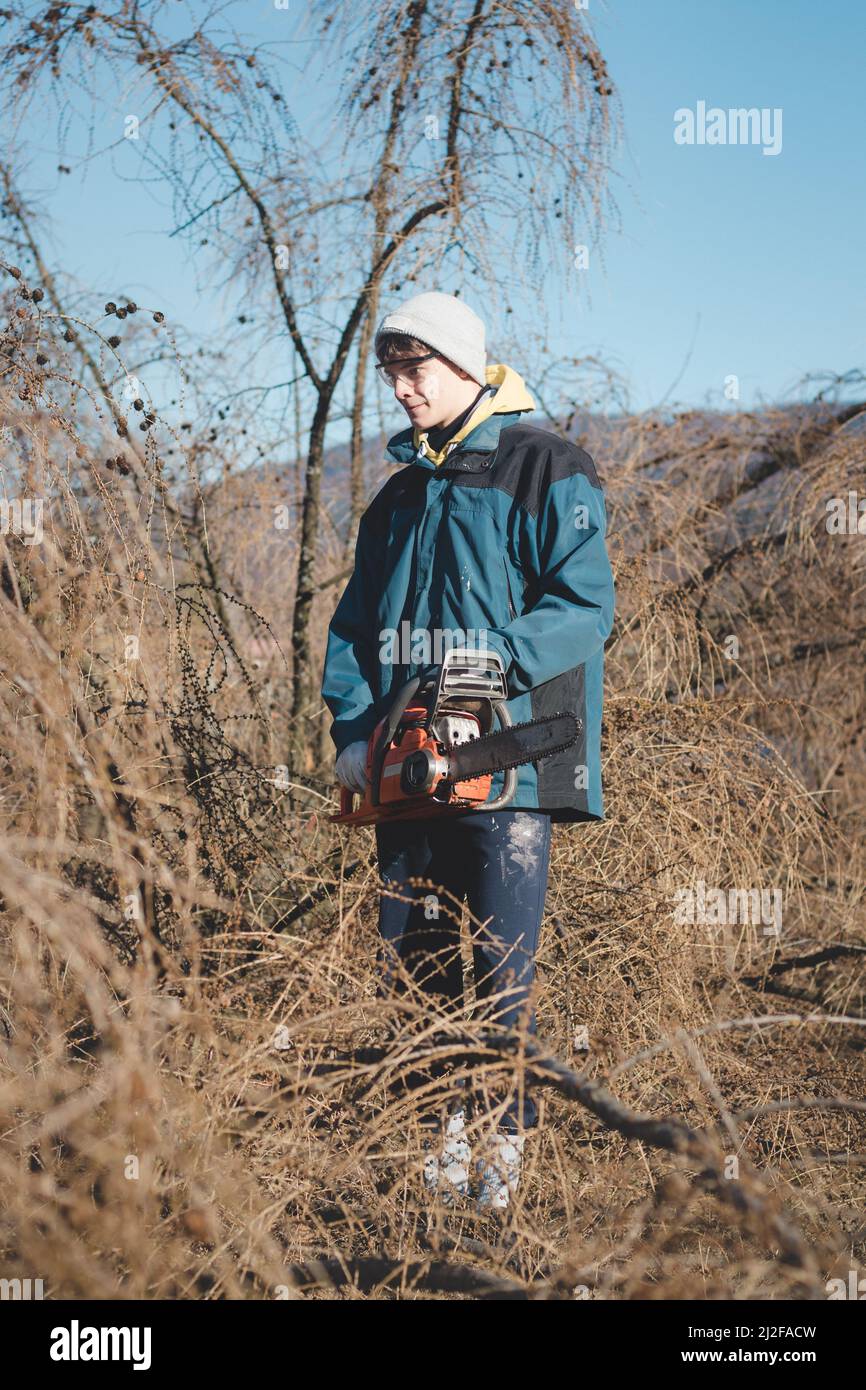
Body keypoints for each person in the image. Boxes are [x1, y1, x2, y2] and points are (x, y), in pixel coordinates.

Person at [321, 291, 615, 1212]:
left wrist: (499, 661)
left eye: (417, 371)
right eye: (393, 374)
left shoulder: (547, 468)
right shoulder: (399, 497)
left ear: (465, 366)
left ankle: (502, 1177)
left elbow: (586, 606)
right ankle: (430, 1166)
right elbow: (354, 628)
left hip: (511, 765)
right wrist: (352, 730)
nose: (402, 390)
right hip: (405, 766)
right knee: (413, 971)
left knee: (497, 971)